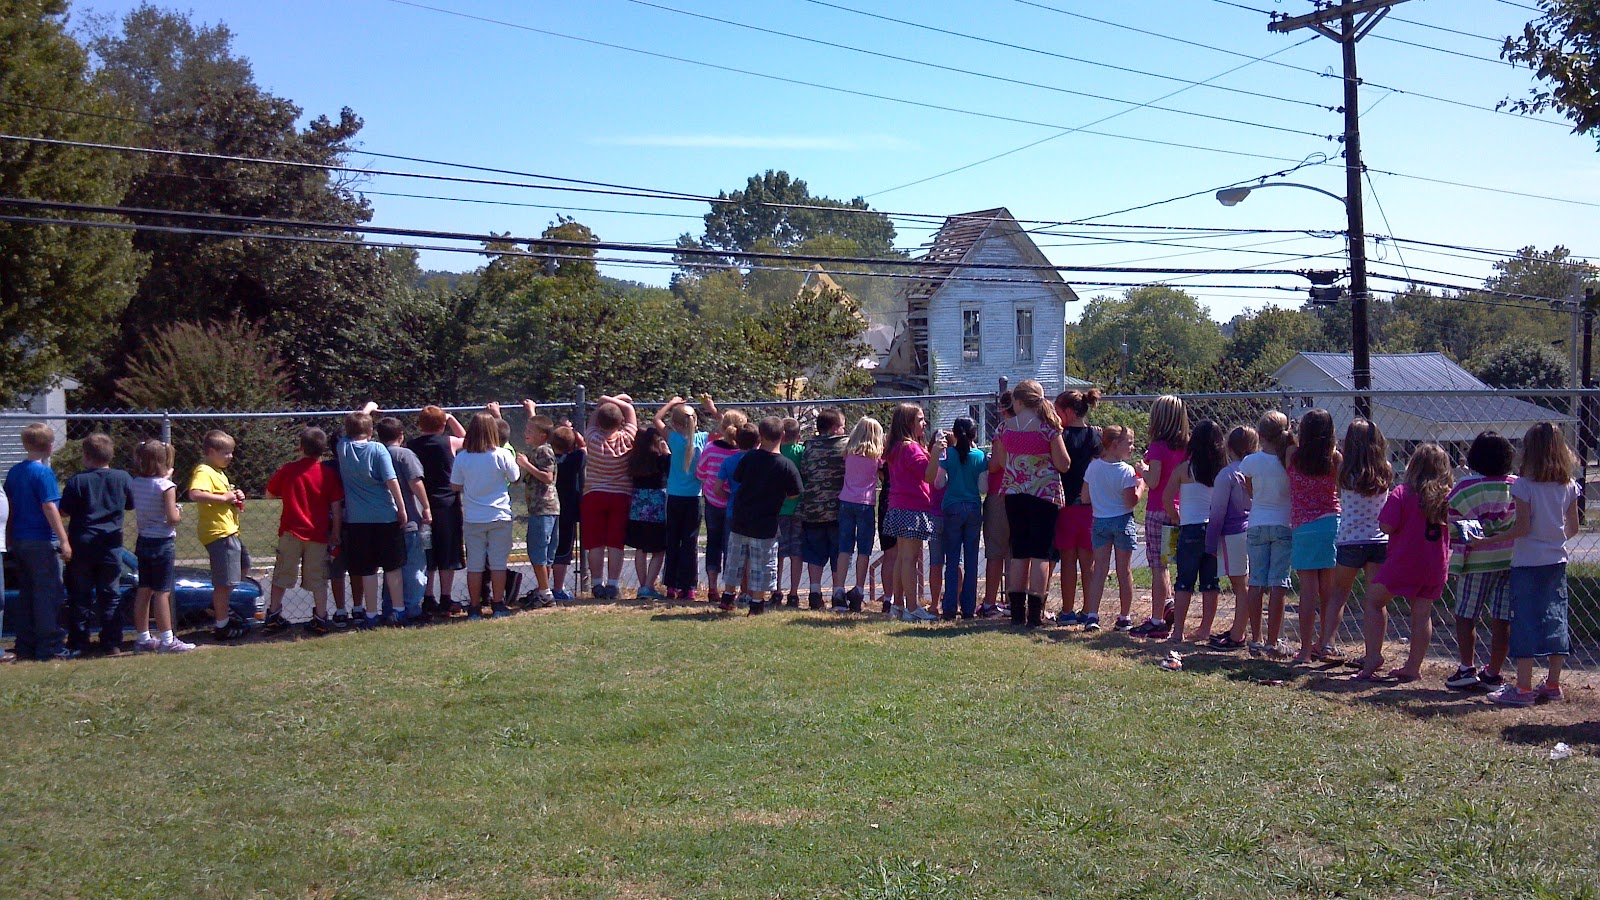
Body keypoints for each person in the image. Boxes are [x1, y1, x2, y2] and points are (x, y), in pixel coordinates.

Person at [1489, 423, 1580, 707]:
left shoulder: (1523, 485)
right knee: (1555, 615)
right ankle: (1552, 683)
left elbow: (1523, 528)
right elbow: (1573, 528)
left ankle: (1523, 688)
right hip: (1556, 561)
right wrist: (1553, 539)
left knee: (1525, 619)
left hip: (1527, 563)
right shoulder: (1568, 486)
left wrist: (1490, 539)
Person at [1354, 443, 1453, 683]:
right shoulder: (1448, 495)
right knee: (1422, 614)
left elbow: (1386, 526)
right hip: (1435, 564)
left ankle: (1373, 658)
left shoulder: (1403, 492)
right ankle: (1412, 667)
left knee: (1374, 601)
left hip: (1405, 562)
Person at [991, 379, 1072, 629]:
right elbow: (1064, 464)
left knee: (1019, 552)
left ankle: (1016, 613)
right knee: (1041, 554)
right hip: (1043, 494)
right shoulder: (1048, 429)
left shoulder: (1005, 429)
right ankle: (1034, 615)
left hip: (1015, 493)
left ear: (1017, 401)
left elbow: (1001, 462)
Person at [1444, 431, 1517, 692]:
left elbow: (1453, 523)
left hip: (1475, 561)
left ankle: (1467, 667)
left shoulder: (1465, 488)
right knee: (1503, 617)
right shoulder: (1516, 486)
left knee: (1466, 614)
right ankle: (1494, 672)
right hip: (1510, 560)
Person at [264, 427, 344, 635]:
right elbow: (336, 507)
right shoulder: (327, 474)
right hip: (317, 534)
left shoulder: (288, 470)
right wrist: (335, 531)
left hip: (291, 531)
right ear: (323, 450)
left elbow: (270, 494)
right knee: (317, 577)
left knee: (282, 573)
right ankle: (321, 617)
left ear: (300, 447)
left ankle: (273, 614)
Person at [1226, 411, 1294, 656]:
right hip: (1283, 523)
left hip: (1256, 523)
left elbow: (1251, 491)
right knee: (1278, 584)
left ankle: (1256, 638)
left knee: (1256, 582)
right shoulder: (1288, 461)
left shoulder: (1251, 462)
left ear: (1261, 435)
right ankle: (1273, 641)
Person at [1325, 419, 1392, 662]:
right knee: (1375, 601)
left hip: (1350, 540)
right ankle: (1373, 653)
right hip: (1378, 540)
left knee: (1339, 593)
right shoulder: (1386, 468)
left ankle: (1327, 644)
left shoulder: (1343, 470)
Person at [61, 433, 134, 656]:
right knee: (110, 593)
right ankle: (111, 641)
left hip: (82, 542)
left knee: (80, 595)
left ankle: (79, 641)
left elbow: (64, 510)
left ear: (86, 456)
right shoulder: (122, 478)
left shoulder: (78, 481)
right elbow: (130, 503)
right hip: (110, 544)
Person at [336, 406, 409, 628]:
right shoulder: (378, 449)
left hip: (358, 520)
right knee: (392, 566)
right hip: (385, 516)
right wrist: (401, 508)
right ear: (370, 432)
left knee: (367, 569)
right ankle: (398, 610)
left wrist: (366, 408)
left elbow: (354, 426)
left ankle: (370, 613)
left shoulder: (343, 448)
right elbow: (391, 480)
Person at [6, 424, 73, 660]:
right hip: (43, 540)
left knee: (28, 594)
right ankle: (50, 647)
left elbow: (11, 507)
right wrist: (64, 539)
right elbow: (49, 506)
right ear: (49, 446)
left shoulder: (15, 472)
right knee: (49, 595)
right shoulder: (44, 473)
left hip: (20, 540)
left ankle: (25, 645)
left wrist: (9, 537)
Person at [726, 416, 803, 615]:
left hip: (741, 518)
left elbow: (738, 478)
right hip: (766, 522)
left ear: (760, 436)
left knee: (736, 560)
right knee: (762, 563)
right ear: (783, 436)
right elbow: (795, 492)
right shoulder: (786, 465)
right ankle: (757, 602)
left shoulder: (749, 458)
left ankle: (728, 596)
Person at [451, 411, 522, 616]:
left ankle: (474, 607)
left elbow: (455, 485)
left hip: (474, 517)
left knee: (475, 564)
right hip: (499, 514)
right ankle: (498, 604)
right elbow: (515, 476)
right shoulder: (501, 454)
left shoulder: (462, 457)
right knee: (498, 563)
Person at [1162, 419, 1226, 644]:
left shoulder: (1184, 469)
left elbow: (1167, 498)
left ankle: (1178, 631)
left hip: (1190, 529)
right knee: (1210, 582)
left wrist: (1177, 518)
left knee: (1184, 581)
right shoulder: (1222, 471)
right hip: (1214, 529)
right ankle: (1204, 629)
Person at [1287, 408, 1342, 664]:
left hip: (1303, 526)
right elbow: (1340, 489)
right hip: (1331, 523)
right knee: (1329, 592)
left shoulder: (1293, 456)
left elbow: (1287, 439)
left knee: (1308, 591)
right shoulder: (1335, 459)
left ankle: (1306, 651)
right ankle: (1327, 643)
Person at [187, 429, 252, 642]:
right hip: (218, 532)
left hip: (230, 530)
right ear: (212, 451)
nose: (230, 457)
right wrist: (223, 497)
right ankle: (222, 625)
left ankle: (217, 606)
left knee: (243, 567)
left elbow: (223, 496)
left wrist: (234, 495)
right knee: (224, 582)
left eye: (231, 452)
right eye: (226, 453)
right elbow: (195, 493)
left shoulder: (219, 472)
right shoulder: (204, 471)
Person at [1133, 395, 1189, 636]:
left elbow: (1154, 481)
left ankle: (1156, 620)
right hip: (1178, 512)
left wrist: (1142, 470)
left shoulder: (1158, 447)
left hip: (1157, 511)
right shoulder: (1187, 446)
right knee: (1170, 564)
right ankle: (1168, 607)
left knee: (1158, 566)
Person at [1081, 424, 1144, 632]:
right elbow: (1130, 501)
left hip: (1099, 520)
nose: (1132, 447)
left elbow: (1085, 497)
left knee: (1099, 570)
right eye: (1129, 443)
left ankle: (1092, 614)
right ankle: (1124, 616)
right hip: (1122, 521)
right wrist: (1141, 483)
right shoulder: (1126, 471)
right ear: (1116, 444)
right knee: (1123, 571)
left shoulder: (1093, 467)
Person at [407, 405, 466, 619]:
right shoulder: (448, 442)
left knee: (428, 549)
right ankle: (446, 596)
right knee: (448, 550)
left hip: (423, 505)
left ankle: (428, 596)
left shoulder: (411, 446)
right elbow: (467, 438)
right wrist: (451, 419)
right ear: (442, 425)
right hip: (447, 504)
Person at [883, 403, 938, 623]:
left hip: (898, 505)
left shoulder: (896, 446)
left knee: (902, 558)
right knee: (910, 559)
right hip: (911, 507)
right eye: (920, 420)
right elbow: (928, 475)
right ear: (909, 423)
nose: (924, 423)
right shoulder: (910, 448)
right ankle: (913, 607)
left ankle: (897, 605)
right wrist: (935, 453)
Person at [928, 416, 986, 620]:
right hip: (972, 507)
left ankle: (950, 606)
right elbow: (983, 487)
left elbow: (939, 483)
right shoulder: (980, 456)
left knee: (952, 560)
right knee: (971, 560)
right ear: (974, 434)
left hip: (951, 507)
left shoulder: (948, 455)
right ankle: (968, 607)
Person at [583, 394, 639, 600]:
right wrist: (619, 399)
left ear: (599, 421)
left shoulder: (592, 438)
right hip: (621, 495)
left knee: (595, 543)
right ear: (621, 421)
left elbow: (594, 415)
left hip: (594, 494)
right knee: (616, 543)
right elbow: (631, 412)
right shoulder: (627, 438)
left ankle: (597, 584)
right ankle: (613, 584)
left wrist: (605, 399)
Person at [1053, 389, 1102, 626]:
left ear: (1069, 413)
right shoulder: (1096, 437)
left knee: (1068, 560)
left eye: (1058, 411)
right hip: (1090, 507)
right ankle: (1089, 610)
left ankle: (1067, 610)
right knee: (1088, 562)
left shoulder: (1060, 437)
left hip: (1066, 505)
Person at [658, 396, 713, 601]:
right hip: (694, 498)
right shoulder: (703, 438)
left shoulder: (673, 439)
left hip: (674, 497)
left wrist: (671, 403)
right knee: (690, 543)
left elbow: (656, 420)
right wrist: (712, 410)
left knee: (672, 541)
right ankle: (688, 587)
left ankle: (671, 585)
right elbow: (728, 428)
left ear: (675, 423)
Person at [1206, 427, 1256, 651]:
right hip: (1252, 530)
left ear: (1229, 447)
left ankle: (1238, 634)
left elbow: (1217, 511)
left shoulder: (1227, 474)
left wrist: (1210, 541)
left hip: (1234, 533)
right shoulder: (1254, 471)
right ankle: (1242, 630)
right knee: (1246, 584)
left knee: (1240, 585)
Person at [378, 416, 431, 624]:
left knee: (392, 569)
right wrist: (426, 507)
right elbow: (415, 482)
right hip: (410, 521)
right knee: (414, 566)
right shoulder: (404, 455)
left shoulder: (376, 454)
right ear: (401, 435)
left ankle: (390, 608)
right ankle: (411, 608)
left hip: (386, 520)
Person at [696, 409, 748, 606]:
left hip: (712, 501)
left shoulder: (710, 448)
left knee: (713, 543)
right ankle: (730, 589)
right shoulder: (744, 453)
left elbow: (700, 473)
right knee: (732, 547)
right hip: (734, 504)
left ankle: (712, 587)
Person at [798, 407, 848, 610]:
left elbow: (804, 472)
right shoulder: (845, 445)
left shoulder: (808, 447)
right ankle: (838, 593)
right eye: (843, 426)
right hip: (838, 510)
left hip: (812, 509)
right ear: (835, 428)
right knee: (838, 553)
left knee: (814, 554)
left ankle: (814, 592)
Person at [835, 416, 883, 613]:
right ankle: (858, 590)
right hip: (865, 504)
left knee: (844, 547)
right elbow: (882, 473)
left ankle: (838, 591)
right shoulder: (876, 457)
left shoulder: (848, 453)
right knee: (864, 549)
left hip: (846, 500)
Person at [712, 422, 760, 609]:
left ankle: (730, 592)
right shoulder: (760, 461)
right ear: (758, 441)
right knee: (753, 555)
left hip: (734, 510)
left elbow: (717, 489)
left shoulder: (729, 461)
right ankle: (748, 592)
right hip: (755, 510)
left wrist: (731, 496)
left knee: (734, 554)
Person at [518, 400, 560, 607]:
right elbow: (537, 424)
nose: (526, 432)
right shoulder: (538, 448)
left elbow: (548, 477)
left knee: (538, 551)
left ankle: (545, 592)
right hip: (544, 509)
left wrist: (526, 465)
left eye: (530, 431)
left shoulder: (543, 451)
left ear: (542, 436)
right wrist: (531, 412)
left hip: (543, 508)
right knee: (544, 552)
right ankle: (544, 590)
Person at [625, 425, 670, 600]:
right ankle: (649, 585)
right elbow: (669, 468)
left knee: (640, 548)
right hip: (656, 506)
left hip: (637, 505)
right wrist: (666, 452)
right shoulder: (659, 458)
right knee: (659, 549)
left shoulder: (634, 459)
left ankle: (643, 584)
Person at [980, 391, 1015, 618]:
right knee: (1014, 553)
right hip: (1019, 493)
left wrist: (985, 460)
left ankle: (990, 602)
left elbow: (995, 465)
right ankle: (1014, 600)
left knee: (995, 552)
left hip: (999, 493)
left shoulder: (1003, 431)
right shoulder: (1031, 429)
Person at [550, 425, 586, 601]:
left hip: (549, 508)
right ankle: (558, 588)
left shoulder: (546, 458)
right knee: (563, 549)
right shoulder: (574, 458)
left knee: (548, 547)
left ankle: (545, 587)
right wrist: (575, 432)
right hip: (569, 509)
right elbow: (584, 448)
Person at [776, 417, 806, 607]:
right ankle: (794, 592)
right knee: (797, 551)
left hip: (778, 508)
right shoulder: (800, 452)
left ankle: (776, 589)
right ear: (798, 436)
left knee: (778, 552)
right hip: (798, 508)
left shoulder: (775, 452)